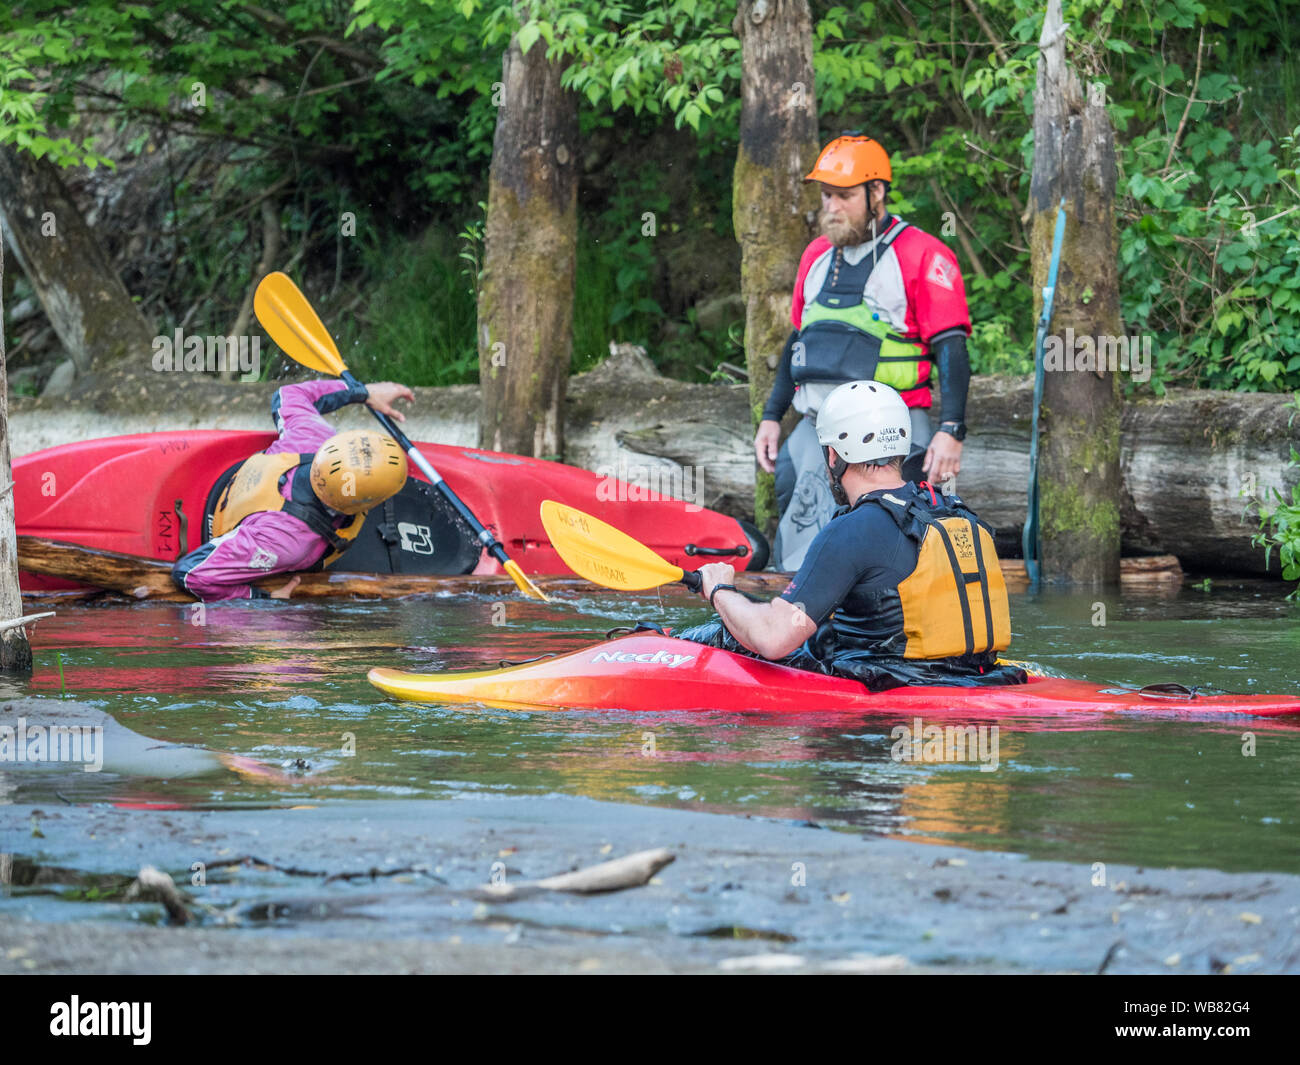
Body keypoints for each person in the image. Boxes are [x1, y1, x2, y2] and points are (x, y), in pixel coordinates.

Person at [681, 380, 1025, 692]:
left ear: (833, 455)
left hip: (889, 697)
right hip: (980, 676)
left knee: (726, 634)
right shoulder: (956, 512)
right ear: (901, 448)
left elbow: (773, 639)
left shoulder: (853, 529)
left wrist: (719, 590)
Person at [755, 133, 975, 571]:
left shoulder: (923, 255)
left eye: (844, 196)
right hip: (817, 427)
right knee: (797, 524)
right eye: (826, 196)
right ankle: (797, 618)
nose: (831, 207)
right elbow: (798, 342)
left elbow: (952, 347)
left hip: (892, 427)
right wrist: (770, 416)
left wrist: (951, 430)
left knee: (892, 530)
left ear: (876, 193)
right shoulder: (815, 256)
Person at [173, 378, 414, 601]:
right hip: (225, 533)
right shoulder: (287, 541)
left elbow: (287, 394)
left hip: (225, 484)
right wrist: (261, 600)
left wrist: (363, 392)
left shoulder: (312, 437)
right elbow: (190, 574)